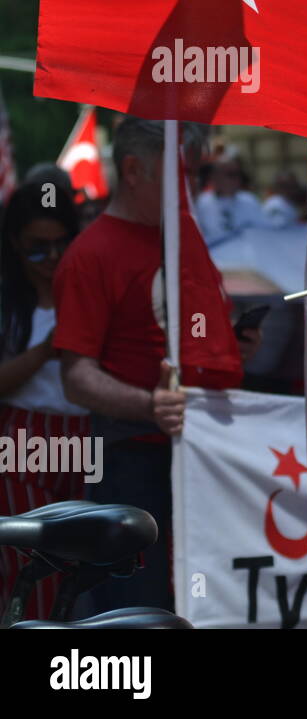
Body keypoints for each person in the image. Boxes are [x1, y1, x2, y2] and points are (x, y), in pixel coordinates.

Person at [53, 116, 251, 613]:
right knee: (136, 608)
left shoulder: (180, 238)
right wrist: (150, 406)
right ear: (135, 170)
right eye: (179, 172)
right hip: (131, 461)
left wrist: (233, 347)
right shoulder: (90, 254)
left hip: (199, 455)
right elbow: (76, 377)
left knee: (200, 603)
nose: (190, 185)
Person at [0, 180, 88, 619]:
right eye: (38, 248)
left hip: (87, 439)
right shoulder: (8, 302)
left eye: (60, 245)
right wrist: (45, 351)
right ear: (15, 244)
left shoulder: (90, 286)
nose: (51, 258)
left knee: (83, 569)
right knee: (30, 568)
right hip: (24, 441)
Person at [194, 149, 269, 244]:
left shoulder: (249, 201)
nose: (236, 179)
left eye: (238, 174)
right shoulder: (202, 203)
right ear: (215, 177)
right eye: (230, 174)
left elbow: (265, 232)